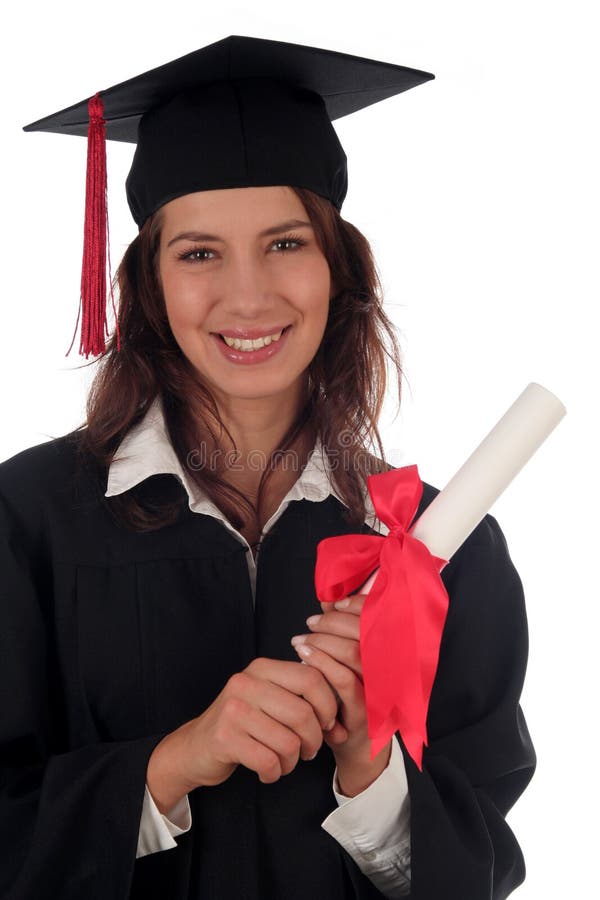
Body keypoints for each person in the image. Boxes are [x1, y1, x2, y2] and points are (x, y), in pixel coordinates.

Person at [0, 35, 535, 900]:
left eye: (286, 243)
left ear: (337, 267)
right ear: (148, 284)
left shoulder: (441, 549)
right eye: (199, 252)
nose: (248, 297)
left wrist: (370, 763)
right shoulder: (25, 521)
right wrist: (176, 762)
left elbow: (475, 870)